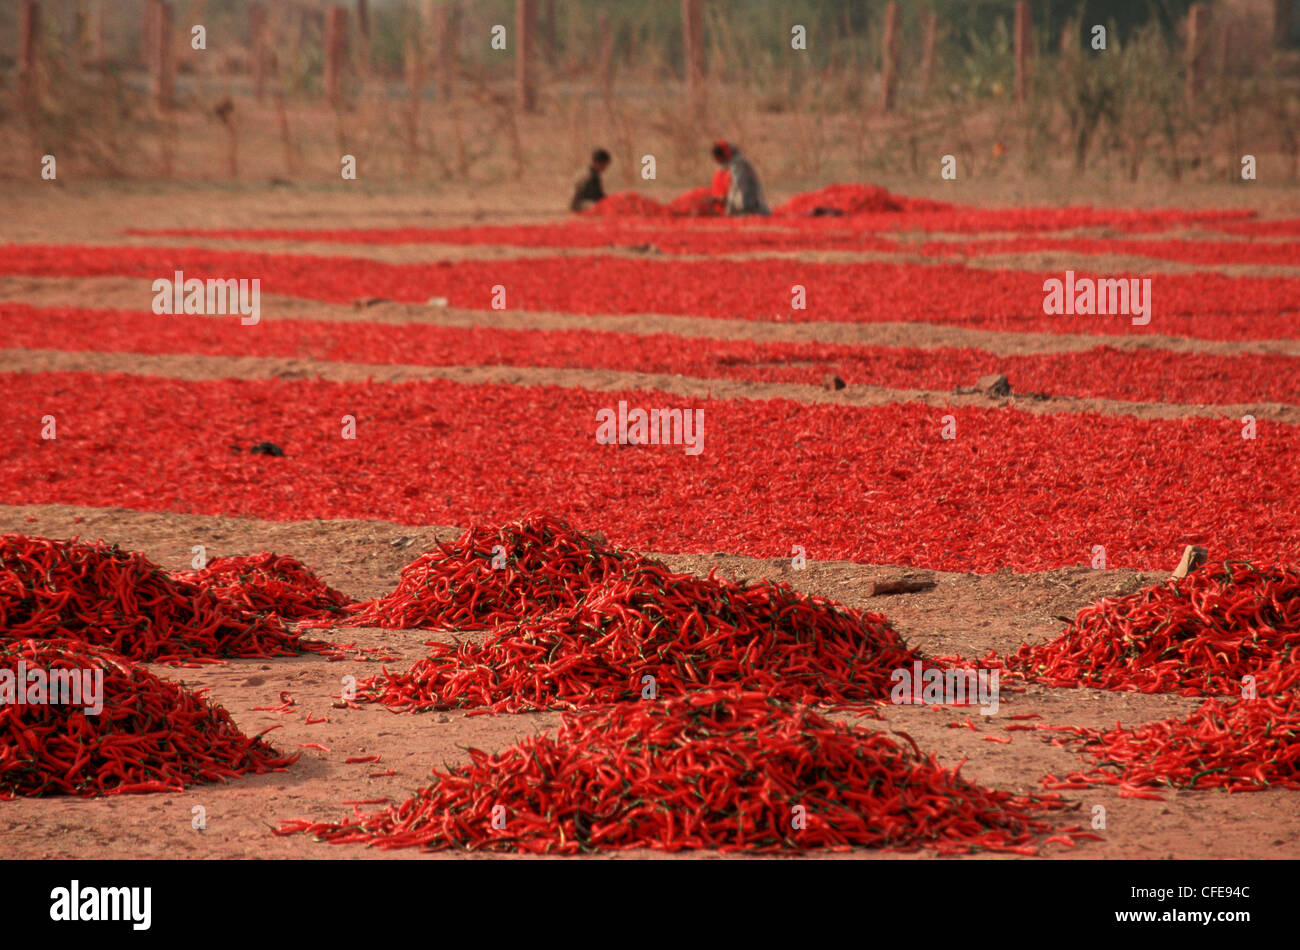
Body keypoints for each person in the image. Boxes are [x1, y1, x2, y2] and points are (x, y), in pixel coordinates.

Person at [710, 141, 770, 216]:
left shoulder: (738, 165)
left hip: (750, 207)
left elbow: (738, 186)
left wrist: (725, 200)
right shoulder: (733, 165)